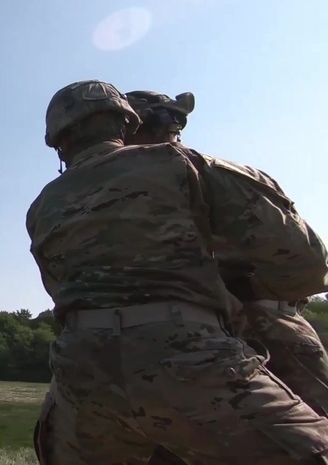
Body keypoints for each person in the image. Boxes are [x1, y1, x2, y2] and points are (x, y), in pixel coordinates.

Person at [27, 79, 328, 464]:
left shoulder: (41, 207)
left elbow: (58, 290)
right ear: (126, 123)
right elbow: (306, 261)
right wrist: (246, 295)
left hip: (80, 370)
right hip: (188, 361)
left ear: (59, 141)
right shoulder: (183, 165)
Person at [125, 90, 328, 458]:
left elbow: (308, 262)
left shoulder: (208, 177)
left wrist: (243, 294)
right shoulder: (105, 198)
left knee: (307, 445)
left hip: (264, 335)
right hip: (171, 353)